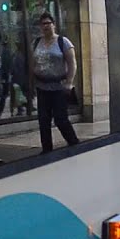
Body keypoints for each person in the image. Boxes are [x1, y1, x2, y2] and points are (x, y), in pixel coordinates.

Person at [29, 12, 80, 152]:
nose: (45, 26)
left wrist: (69, 82)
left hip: (59, 87)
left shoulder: (63, 42)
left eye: (48, 23)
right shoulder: (36, 43)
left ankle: (74, 143)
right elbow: (32, 64)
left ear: (54, 25)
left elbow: (72, 63)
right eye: (43, 24)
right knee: (43, 120)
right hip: (42, 87)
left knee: (60, 119)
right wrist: (31, 82)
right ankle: (47, 150)